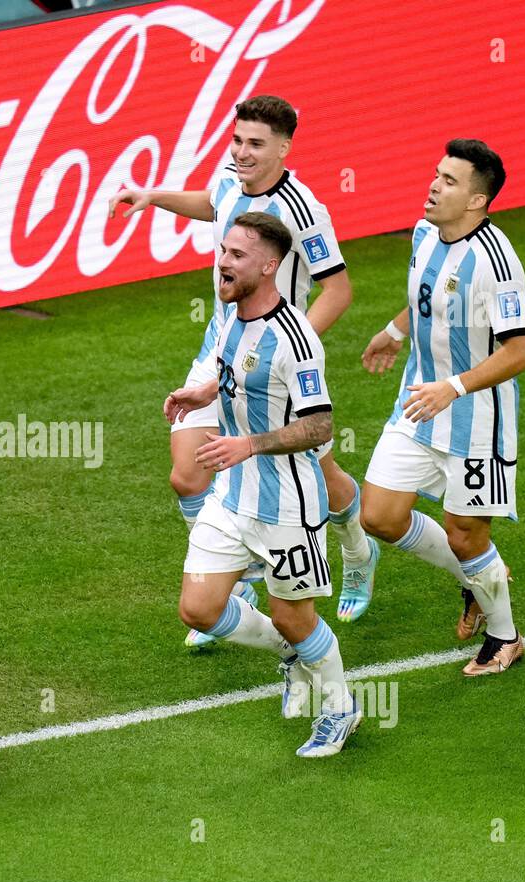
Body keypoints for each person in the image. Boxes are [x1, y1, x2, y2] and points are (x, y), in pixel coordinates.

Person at [109, 95, 378, 646]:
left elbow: (339, 290)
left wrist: (289, 349)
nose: (242, 152)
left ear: (285, 147)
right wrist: (152, 197)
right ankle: (234, 588)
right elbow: (213, 205)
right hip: (220, 348)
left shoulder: (305, 209)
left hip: (277, 364)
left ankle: (358, 550)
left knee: (323, 485)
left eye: (256, 144)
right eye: (237, 140)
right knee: (187, 474)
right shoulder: (231, 177)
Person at [165, 212, 360, 758]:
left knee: (293, 615)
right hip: (231, 496)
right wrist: (203, 395)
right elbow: (234, 372)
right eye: (223, 250)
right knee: (199, 609)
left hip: (287, 506)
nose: (223, 262)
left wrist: (248, 444)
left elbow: (320, 425)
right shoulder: (230, 315)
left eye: (237, 255)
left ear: (270, 266)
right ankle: (294, 653)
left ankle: (340, 709)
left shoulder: (297, 340)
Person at [358, 139, 525, 677]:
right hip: (418, 404)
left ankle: (505, 637)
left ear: (478, 202)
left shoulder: (497, 264)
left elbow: (520, 350)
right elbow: (426, 298)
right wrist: (393, 331)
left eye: (450, 181)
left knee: (466, 534)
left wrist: (453, 387)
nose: (434, 185)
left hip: (477, 423)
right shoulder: (423, 233)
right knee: (379, 516)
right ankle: (472, 584)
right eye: (436, 175)